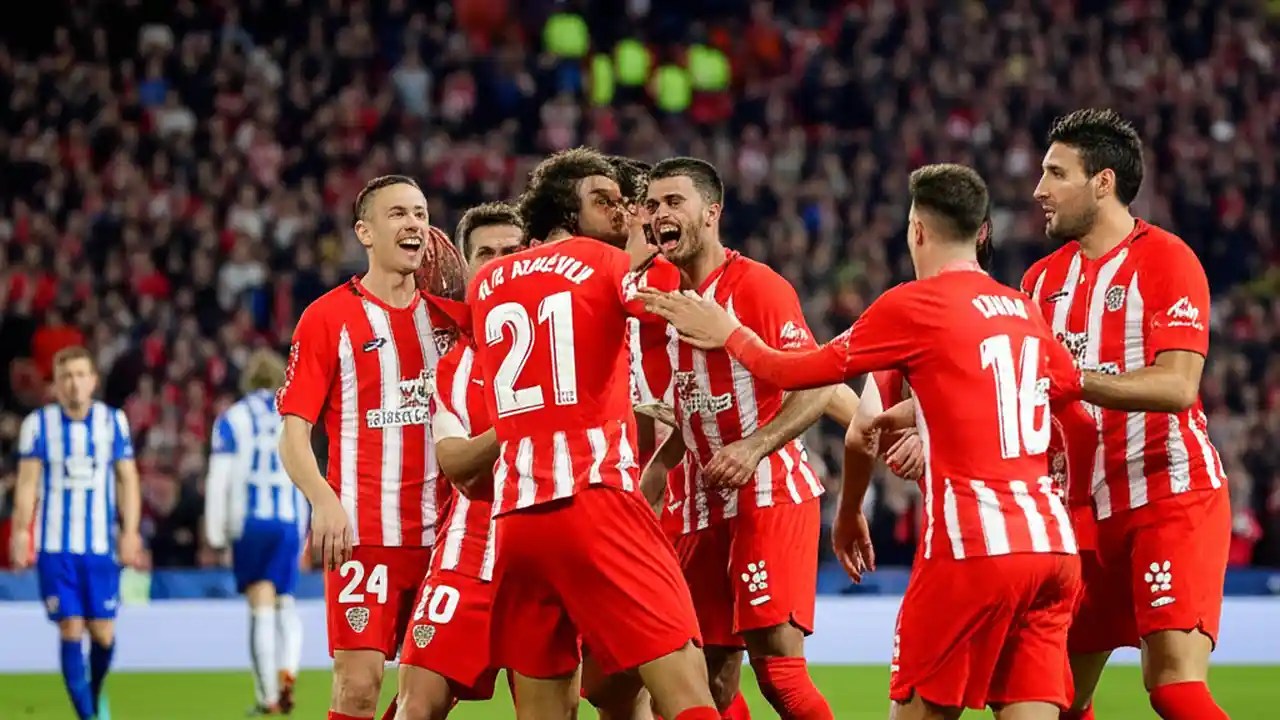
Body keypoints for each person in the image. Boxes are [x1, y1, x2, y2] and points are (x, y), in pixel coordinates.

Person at [642, 163, 1086, 720]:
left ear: (916, 230)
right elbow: (1070, 403)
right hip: (1052, 545)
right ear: (982, 232)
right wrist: (925, 418)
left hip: (972, 545)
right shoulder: (1022, 309)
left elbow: (802, 373)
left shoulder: (913, 304)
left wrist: (729, 333)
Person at [467, 147, 720, 720]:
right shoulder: (603, 266)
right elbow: (672, 307)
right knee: (686, 692)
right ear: (566, 211)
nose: (625, 212)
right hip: (595, 501)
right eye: (606, 202)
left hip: (516, 525)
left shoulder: (486, 284)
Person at [1025, 108, 1230, 720]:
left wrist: (1076, 379)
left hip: (1169, 493)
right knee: (1053, 700)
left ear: (1103, 183)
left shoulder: (1167, 260)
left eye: (1056, 173)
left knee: (1172, 688)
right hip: (1082, 514)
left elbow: (1178, 387)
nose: (1039, 190)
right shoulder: (1038, 282)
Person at [637, 157, 835, 720]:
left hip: (768, 494)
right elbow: (689, 407)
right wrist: (658, 469)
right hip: (700, 506)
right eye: (652, 205)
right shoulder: (658, 304)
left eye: (675, 202)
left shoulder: (758, 287)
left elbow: (817, 385)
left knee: (778, 670)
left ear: (712, 212)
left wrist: (754, 446)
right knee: (708, 680)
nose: (660, 214)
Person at [277, 175, 456, 720]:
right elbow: (292, 434)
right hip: (366, 536)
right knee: (358, 688)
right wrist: (324, 500)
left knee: (428, 696)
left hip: (445, 540)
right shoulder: (328, 317)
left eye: (421, 214)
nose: (414, 224)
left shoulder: (450, 318)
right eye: (398, 213)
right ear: (365, 232)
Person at [393, 202, 524, 720]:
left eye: (510, 253)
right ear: (467, 269)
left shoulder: (575, 340)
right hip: (467, 552)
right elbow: (459, 468)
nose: (496, 265)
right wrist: (528, 420)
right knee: (415, 706)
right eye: (484, 255)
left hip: (547, 554)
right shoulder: (452, 366)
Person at [10, 346, 143, 720]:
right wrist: (22, 531)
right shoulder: (38, 425)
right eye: (66, 376)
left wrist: (130, 531)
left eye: (81, 375)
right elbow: (27, 483)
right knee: (70, 626)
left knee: (103, 634)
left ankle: (95, 693)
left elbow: (127, 479)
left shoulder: (112, 422)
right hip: (56, 547)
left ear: (93, 381)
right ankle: (87, 715)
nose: (74, 383)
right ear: (55, 384)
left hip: (100, 548)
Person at [205, 349, 308, 716]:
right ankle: (289, 673)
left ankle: (268, 697)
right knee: (286, 603)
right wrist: (303, 527)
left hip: (250, 522)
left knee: (260, 605)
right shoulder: (290, 416)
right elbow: (302, 473)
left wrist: (217, 532)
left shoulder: (232, 419)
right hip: (286, 522)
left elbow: (220, 480)